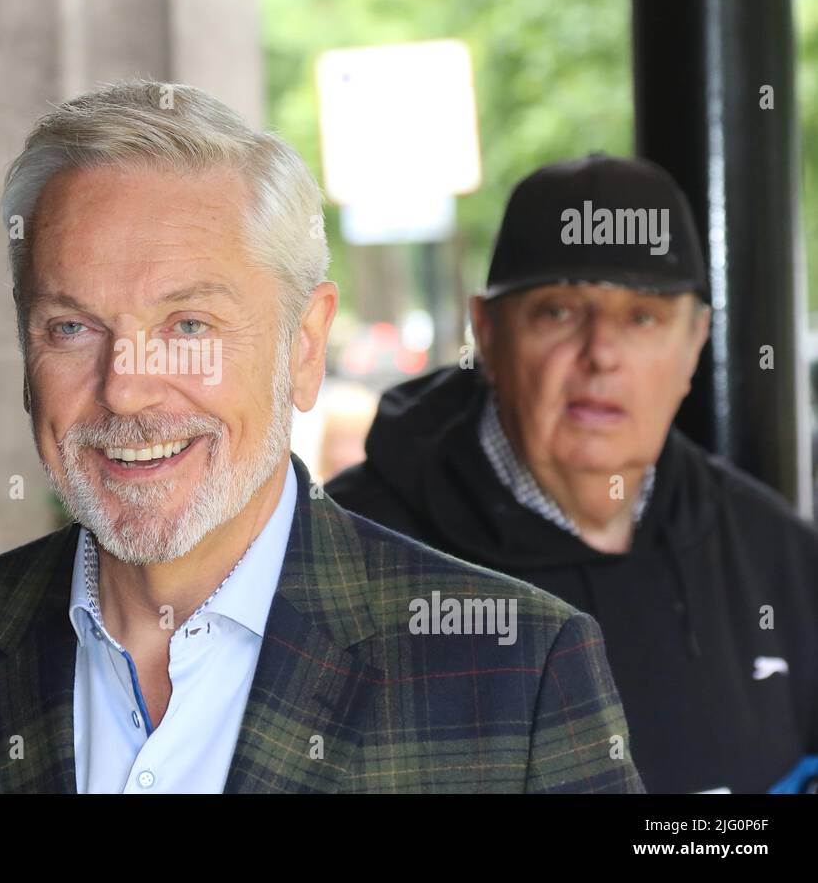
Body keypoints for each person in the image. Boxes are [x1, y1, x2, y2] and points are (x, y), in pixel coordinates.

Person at [0, 84, 643, 793]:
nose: (126, 386)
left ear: (303, 347)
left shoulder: (515, 678)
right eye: (71, 328)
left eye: (189, 325)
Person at [328, 153, 818, 793]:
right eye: (558, 311)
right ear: (488, 334)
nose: (601, 355)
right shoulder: (338, 562)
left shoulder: (773, 552)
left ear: (695, 340)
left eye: (642, 317)